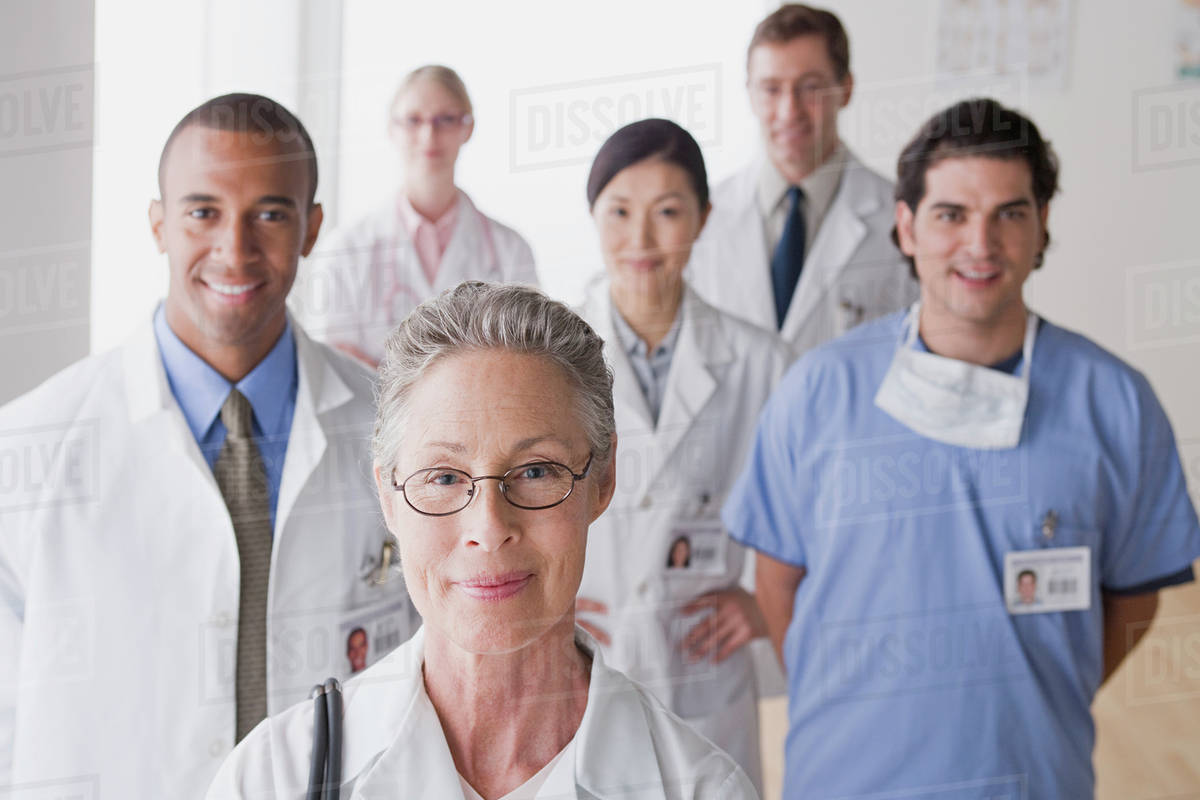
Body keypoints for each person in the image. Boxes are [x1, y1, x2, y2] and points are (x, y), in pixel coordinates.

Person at [723, 98, 1200, 798]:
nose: (981, 244)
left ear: (1042, 229)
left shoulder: (1115, 404)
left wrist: (1039, 696)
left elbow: (1133, 599)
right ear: (907, 227)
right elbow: (777, 582)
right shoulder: (819, 391)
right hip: (844, 776)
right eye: (951, 215)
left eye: (1010, 213)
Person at [0, 94, 416, 798]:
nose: (236, 249)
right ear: (159, 225)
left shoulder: (401, 431)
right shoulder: (30, 448)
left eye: (271, 213)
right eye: (203, 212)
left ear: (312, 228)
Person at [207, 282, 757, 800]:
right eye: (444, 478)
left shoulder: (700, 788)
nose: (490, 529)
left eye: (537, 471)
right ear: (389, 496)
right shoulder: (273, 779)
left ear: (604, 479)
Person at [574, 119, 790, 791]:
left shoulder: (763, 363)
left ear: (703, 217)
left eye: (667, 212)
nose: (640, 240)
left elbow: (808, 517)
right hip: (581, 657)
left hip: (702, 670)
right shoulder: (545, 354)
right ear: (593, 217)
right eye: (619, 212)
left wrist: (760, 605)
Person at [687, 3, 915, 355]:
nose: (788, 111)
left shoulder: (900, 221)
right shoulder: (702, 219)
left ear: (846, 89)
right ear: (749, 93)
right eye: (771, 89)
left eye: (810, 87)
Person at [292, 65, 538, 367]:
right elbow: (334, 367)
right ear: (391, 128)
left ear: (467, 127)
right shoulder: (345, 249)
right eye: (413, 120)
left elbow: (526, 361)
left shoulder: (510, 251)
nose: (428, 135)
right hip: (373, 417)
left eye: (445, 120)